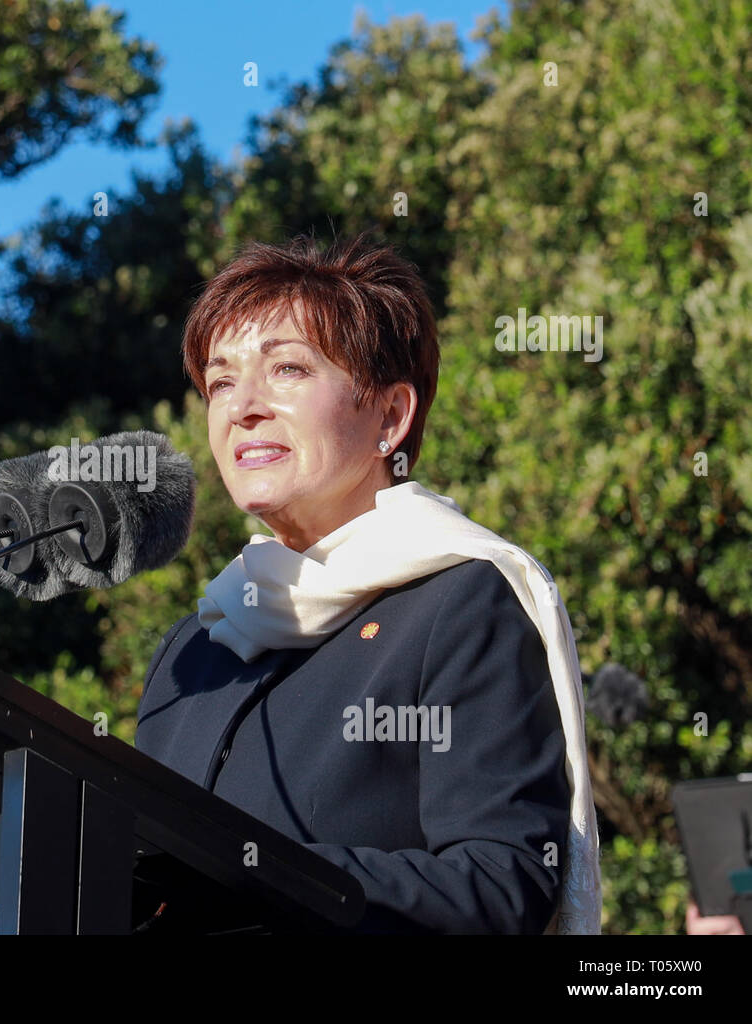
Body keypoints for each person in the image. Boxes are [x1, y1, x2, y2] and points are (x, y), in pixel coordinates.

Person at [135, 232, 601, 934]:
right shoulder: (196, 648)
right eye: (221, 379)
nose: (243, 405)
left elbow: (503, 884)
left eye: (287, 370)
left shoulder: (461, 601)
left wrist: (257, 868)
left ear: (391, 416)